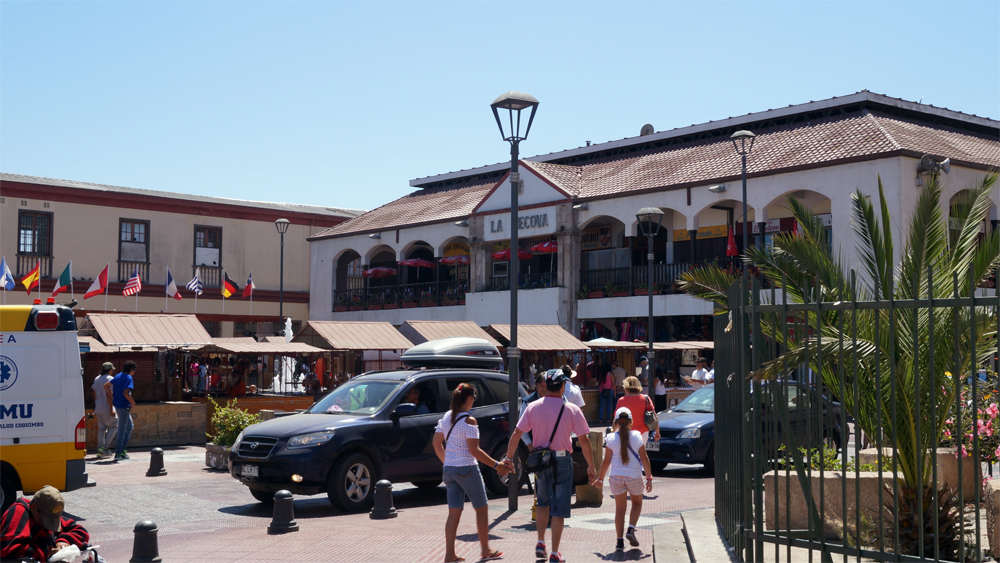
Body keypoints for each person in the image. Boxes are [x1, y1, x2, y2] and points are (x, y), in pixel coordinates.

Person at [506, 369, 598, 563]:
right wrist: (591, 466)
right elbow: (584, 440)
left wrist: (508, 458)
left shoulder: (533, 407)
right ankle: (555, 552)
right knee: (559, 508)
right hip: (563, 460)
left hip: (541, 461)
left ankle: (541, 541)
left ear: (546, 386)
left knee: (543, 502)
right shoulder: (572, 409)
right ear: (563, 386)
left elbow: (517, 434)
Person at [433, 383, 511, 563]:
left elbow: (436, 443)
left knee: (453, 513)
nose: (474, 401)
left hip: (449, 471)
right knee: (481, 508)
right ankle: (485, 549)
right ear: (469, 399)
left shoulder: (447, 417)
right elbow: (474, 450)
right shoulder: (469, 421)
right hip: (467, 469)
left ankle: (449, 554)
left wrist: (448, 462)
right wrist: (497, 465)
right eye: (474, 398)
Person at [595, 408, 653, 551]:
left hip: (616, 476)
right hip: (634, 475)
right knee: (637, 503)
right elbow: (644, 458)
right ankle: (631, 529)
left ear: (615, 422)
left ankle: (619, 542)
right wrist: (649, 477)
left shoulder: (610, 438)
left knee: (620, 509)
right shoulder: (637, 436)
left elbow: (606, 462)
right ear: (631, 422)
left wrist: (600, 479)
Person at [0, 485, 90, 560]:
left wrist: (63, 541)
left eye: (52, 520)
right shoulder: (18, 513)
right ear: (34, 507)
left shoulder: (46, 511)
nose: (47, 525)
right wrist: (48, 552)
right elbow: (7, 551)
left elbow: (80, 531)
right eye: (46, 519)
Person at [105, 360, 137, 461]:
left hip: (118, 405)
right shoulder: (128, 377)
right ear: (131, 369)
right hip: (124, 405)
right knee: (122, 429)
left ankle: (122, 449)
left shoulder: (118, 375)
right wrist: (133, 402)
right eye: (134, 370)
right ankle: (119, 452)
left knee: (129, 426)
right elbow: (126, 392)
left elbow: (106, 385)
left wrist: (112, 396)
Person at [615, 377, 659, 443]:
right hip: (643, 432)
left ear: (626, 387)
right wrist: (657, 432)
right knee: (641, 449)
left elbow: (616, 419)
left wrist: (613, 434)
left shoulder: (621, 400)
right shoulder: (646, 398)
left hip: (626, 432)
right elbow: (655, 417)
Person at [91, 362, 118, 458]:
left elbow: (94, 393)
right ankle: (105, 448)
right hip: (106, 407)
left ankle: (100, 450)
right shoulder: (110, 378)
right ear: (110, 370)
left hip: (98, 408)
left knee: (101, 429)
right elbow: (109, 395)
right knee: (114, 426)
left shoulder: (97, 378)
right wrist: (111, 409)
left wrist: (98, 402)